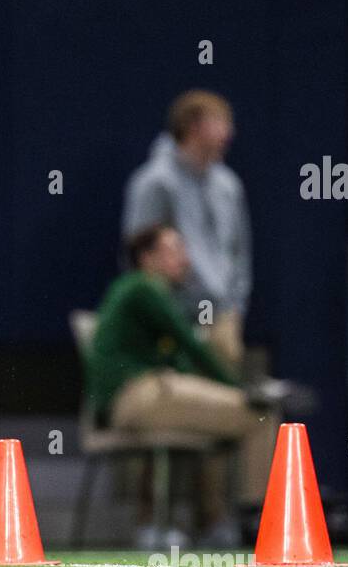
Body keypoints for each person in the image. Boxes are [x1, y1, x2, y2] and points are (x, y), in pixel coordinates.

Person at [85, 224, 276, 545]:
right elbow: (191, 346)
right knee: (261, 414)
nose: (185, 260)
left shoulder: (139, 293)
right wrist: (243, 391)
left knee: (238, 411)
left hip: (140, 396)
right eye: (173, 250)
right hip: (139, 396)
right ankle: (257, 519)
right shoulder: (143, 289)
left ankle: (215, 523)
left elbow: (180, 360)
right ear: (147, 258)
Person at [123, 90, 251, 373]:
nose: (229, 132)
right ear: (193, 127)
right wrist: (164, 314)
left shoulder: (229, 186)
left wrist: (235, 306)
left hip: (222, 318)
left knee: (225, 407)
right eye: (220, 122)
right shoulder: (155, 183)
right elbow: (139, 255)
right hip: (172, 321)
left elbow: (239, 252)